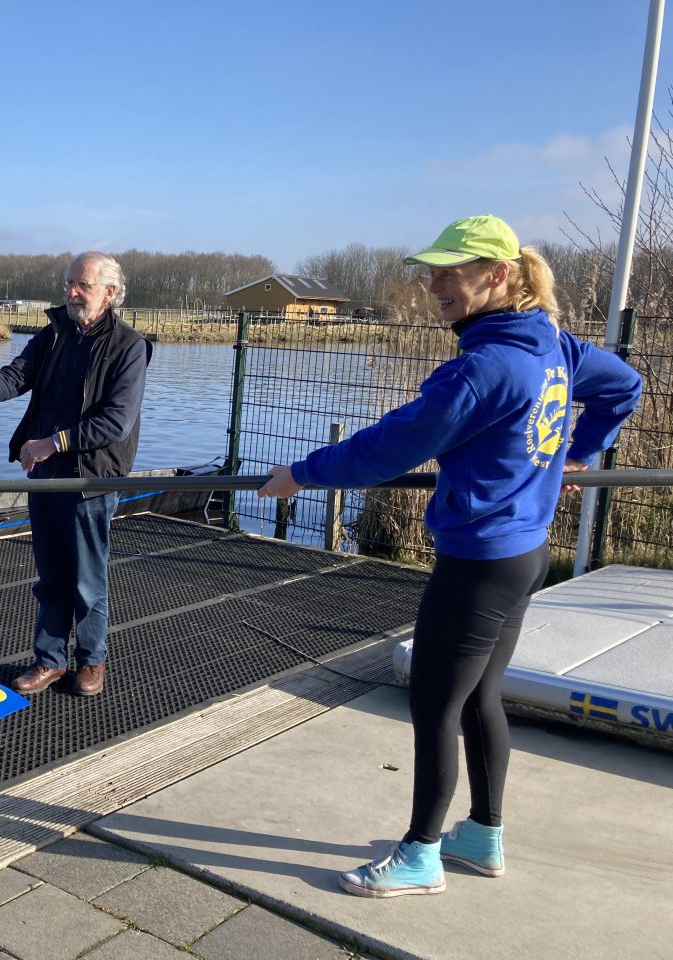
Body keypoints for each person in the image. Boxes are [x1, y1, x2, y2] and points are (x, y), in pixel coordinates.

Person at [258, 215, 642, 898]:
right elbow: (624, 386)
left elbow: (391, 447)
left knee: (435, 706)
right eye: (430, 271)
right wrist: (581, 448)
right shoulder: (552, 344)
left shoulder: (485, 366)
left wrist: (303, 472)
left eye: (449, 272)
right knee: (478, 699)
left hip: (478, 562)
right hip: (524, 553)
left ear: (497, 275)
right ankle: (484, 835)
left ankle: (421, 854)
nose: (433, 285)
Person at [0, 252, 151, 697]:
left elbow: (117, 422)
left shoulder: (128, 346)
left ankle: (92, 661)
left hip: (91, 478)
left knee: (87, 578)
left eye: (83, 286)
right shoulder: (54, 333)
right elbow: (17, 375)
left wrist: (53, 442)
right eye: (69, 283)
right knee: (51, 575)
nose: (72, 293)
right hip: (46, 474)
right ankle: (50, 661)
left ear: (109, 293)